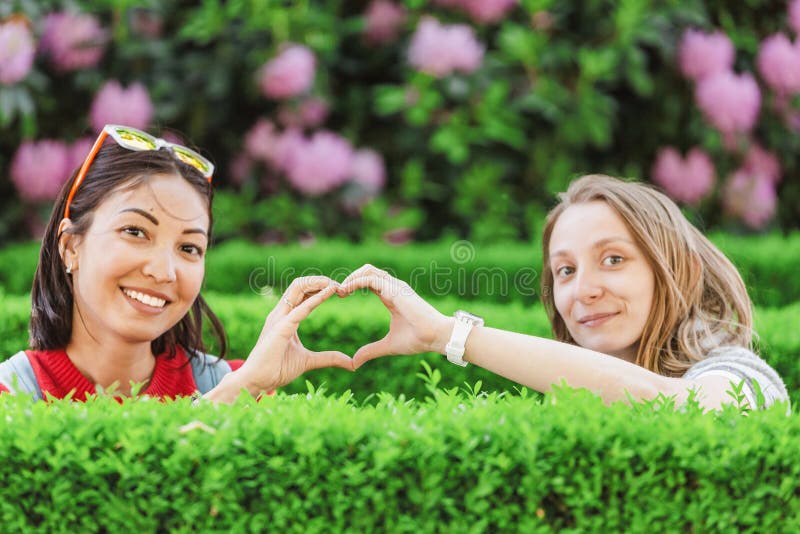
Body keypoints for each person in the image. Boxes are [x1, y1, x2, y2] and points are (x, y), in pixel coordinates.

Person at [337, 174, 789, 411]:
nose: (583, 291)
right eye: (565, 271)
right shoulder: (566, 403)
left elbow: (690, 408)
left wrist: (447, 334)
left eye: (613, 259)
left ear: (681, 271)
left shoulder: (742, 376)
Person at [0, 125, 352, 402]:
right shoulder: (13, 394)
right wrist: (232, 396)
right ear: (70, 246)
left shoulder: (239, 384)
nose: (163, 271)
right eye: (135, 231)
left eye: (189, 248)